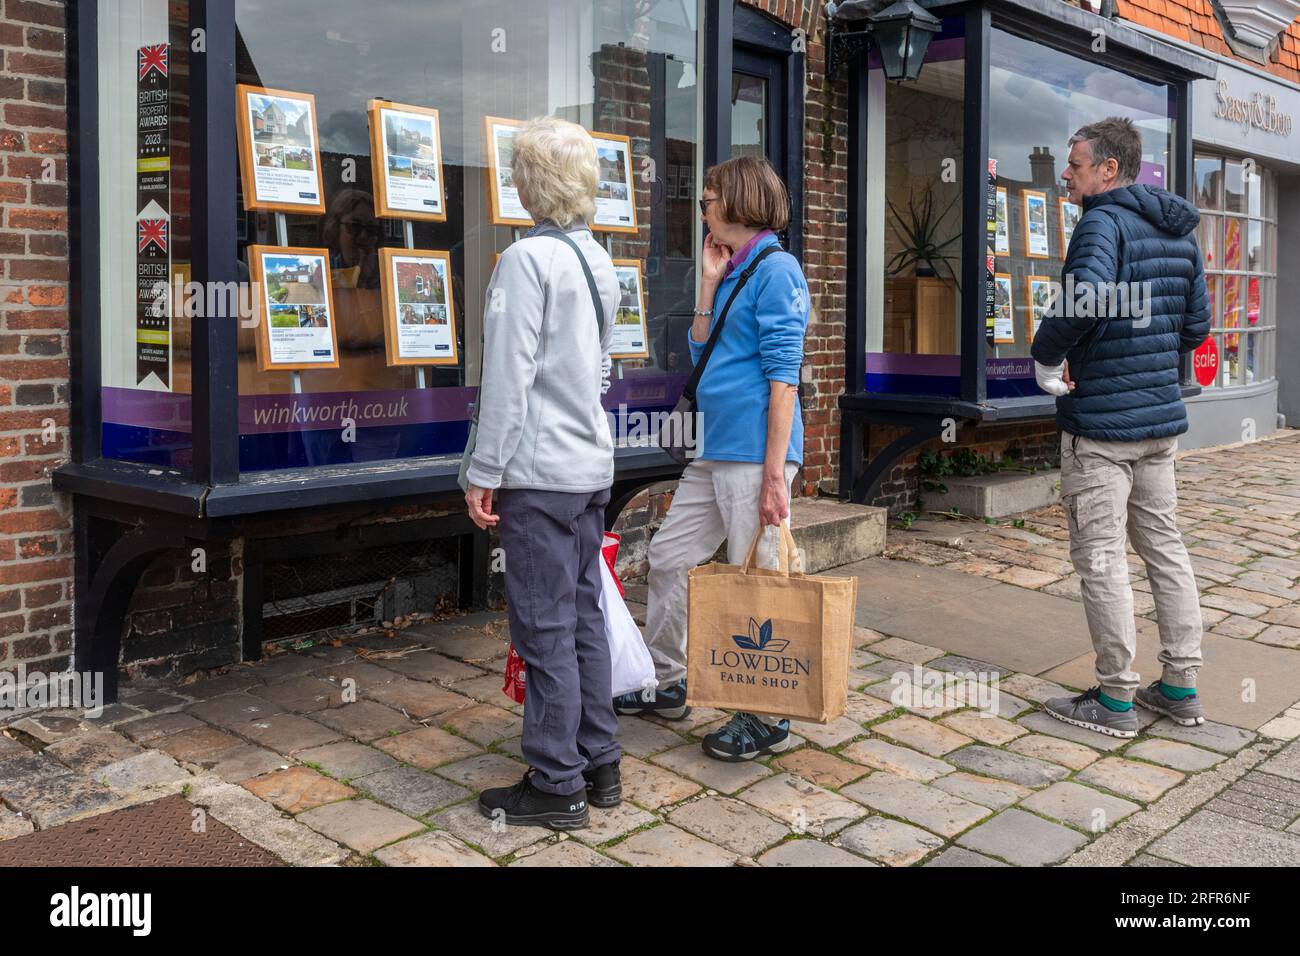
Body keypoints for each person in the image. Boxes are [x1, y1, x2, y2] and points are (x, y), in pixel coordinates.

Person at [616, 155, 810, 761]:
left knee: (757, 579)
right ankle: (668, 681)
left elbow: (785, 380)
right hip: (715, 449)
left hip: (756, 455)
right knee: (671, 555)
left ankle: (766, 717)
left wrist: (776, 474)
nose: (702, 208)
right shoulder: (735, 268)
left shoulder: (778, 270)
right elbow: (702, 346)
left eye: (709, 198)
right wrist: (707, 282)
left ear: (739, 202)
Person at [464, 116, 623, 829]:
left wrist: (482, 470)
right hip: (590, 467)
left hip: (540, 472)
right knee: (584, 617)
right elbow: (603, 369)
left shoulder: (525, 262)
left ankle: (556, 783)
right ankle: (600, 760)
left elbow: (506, 379)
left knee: (544, 628)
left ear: (529, 183)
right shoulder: (598, 259)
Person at [1031, 116, 1210, 738]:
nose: (1067, 173)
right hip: (1159, 424)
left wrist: (1046, 355)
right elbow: (1195, 330)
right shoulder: (1180, 233)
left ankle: (1114, 701)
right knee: (1166, 550)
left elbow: (1085, 295)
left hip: (1102, 428)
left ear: (1109, 169)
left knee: (1102, 557)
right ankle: (1181, 687)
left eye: (1076, 164)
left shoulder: (1101, 222)